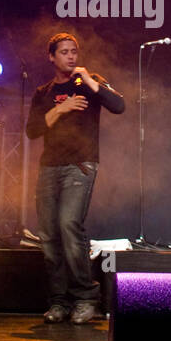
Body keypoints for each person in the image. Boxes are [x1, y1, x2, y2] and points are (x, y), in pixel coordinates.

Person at [25, 32, 125, 324]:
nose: (70, 57)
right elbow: (32, 130)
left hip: (80, 166)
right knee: (48, 235)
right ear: (52, 57)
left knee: (69, 224)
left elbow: (119, 106)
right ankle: (59, 301)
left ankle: (85, 298)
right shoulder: (43, 92)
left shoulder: (88, 82)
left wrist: (92, 82)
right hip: (49, 167)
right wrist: (61, 108)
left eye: (74, 52)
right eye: (64, 52)